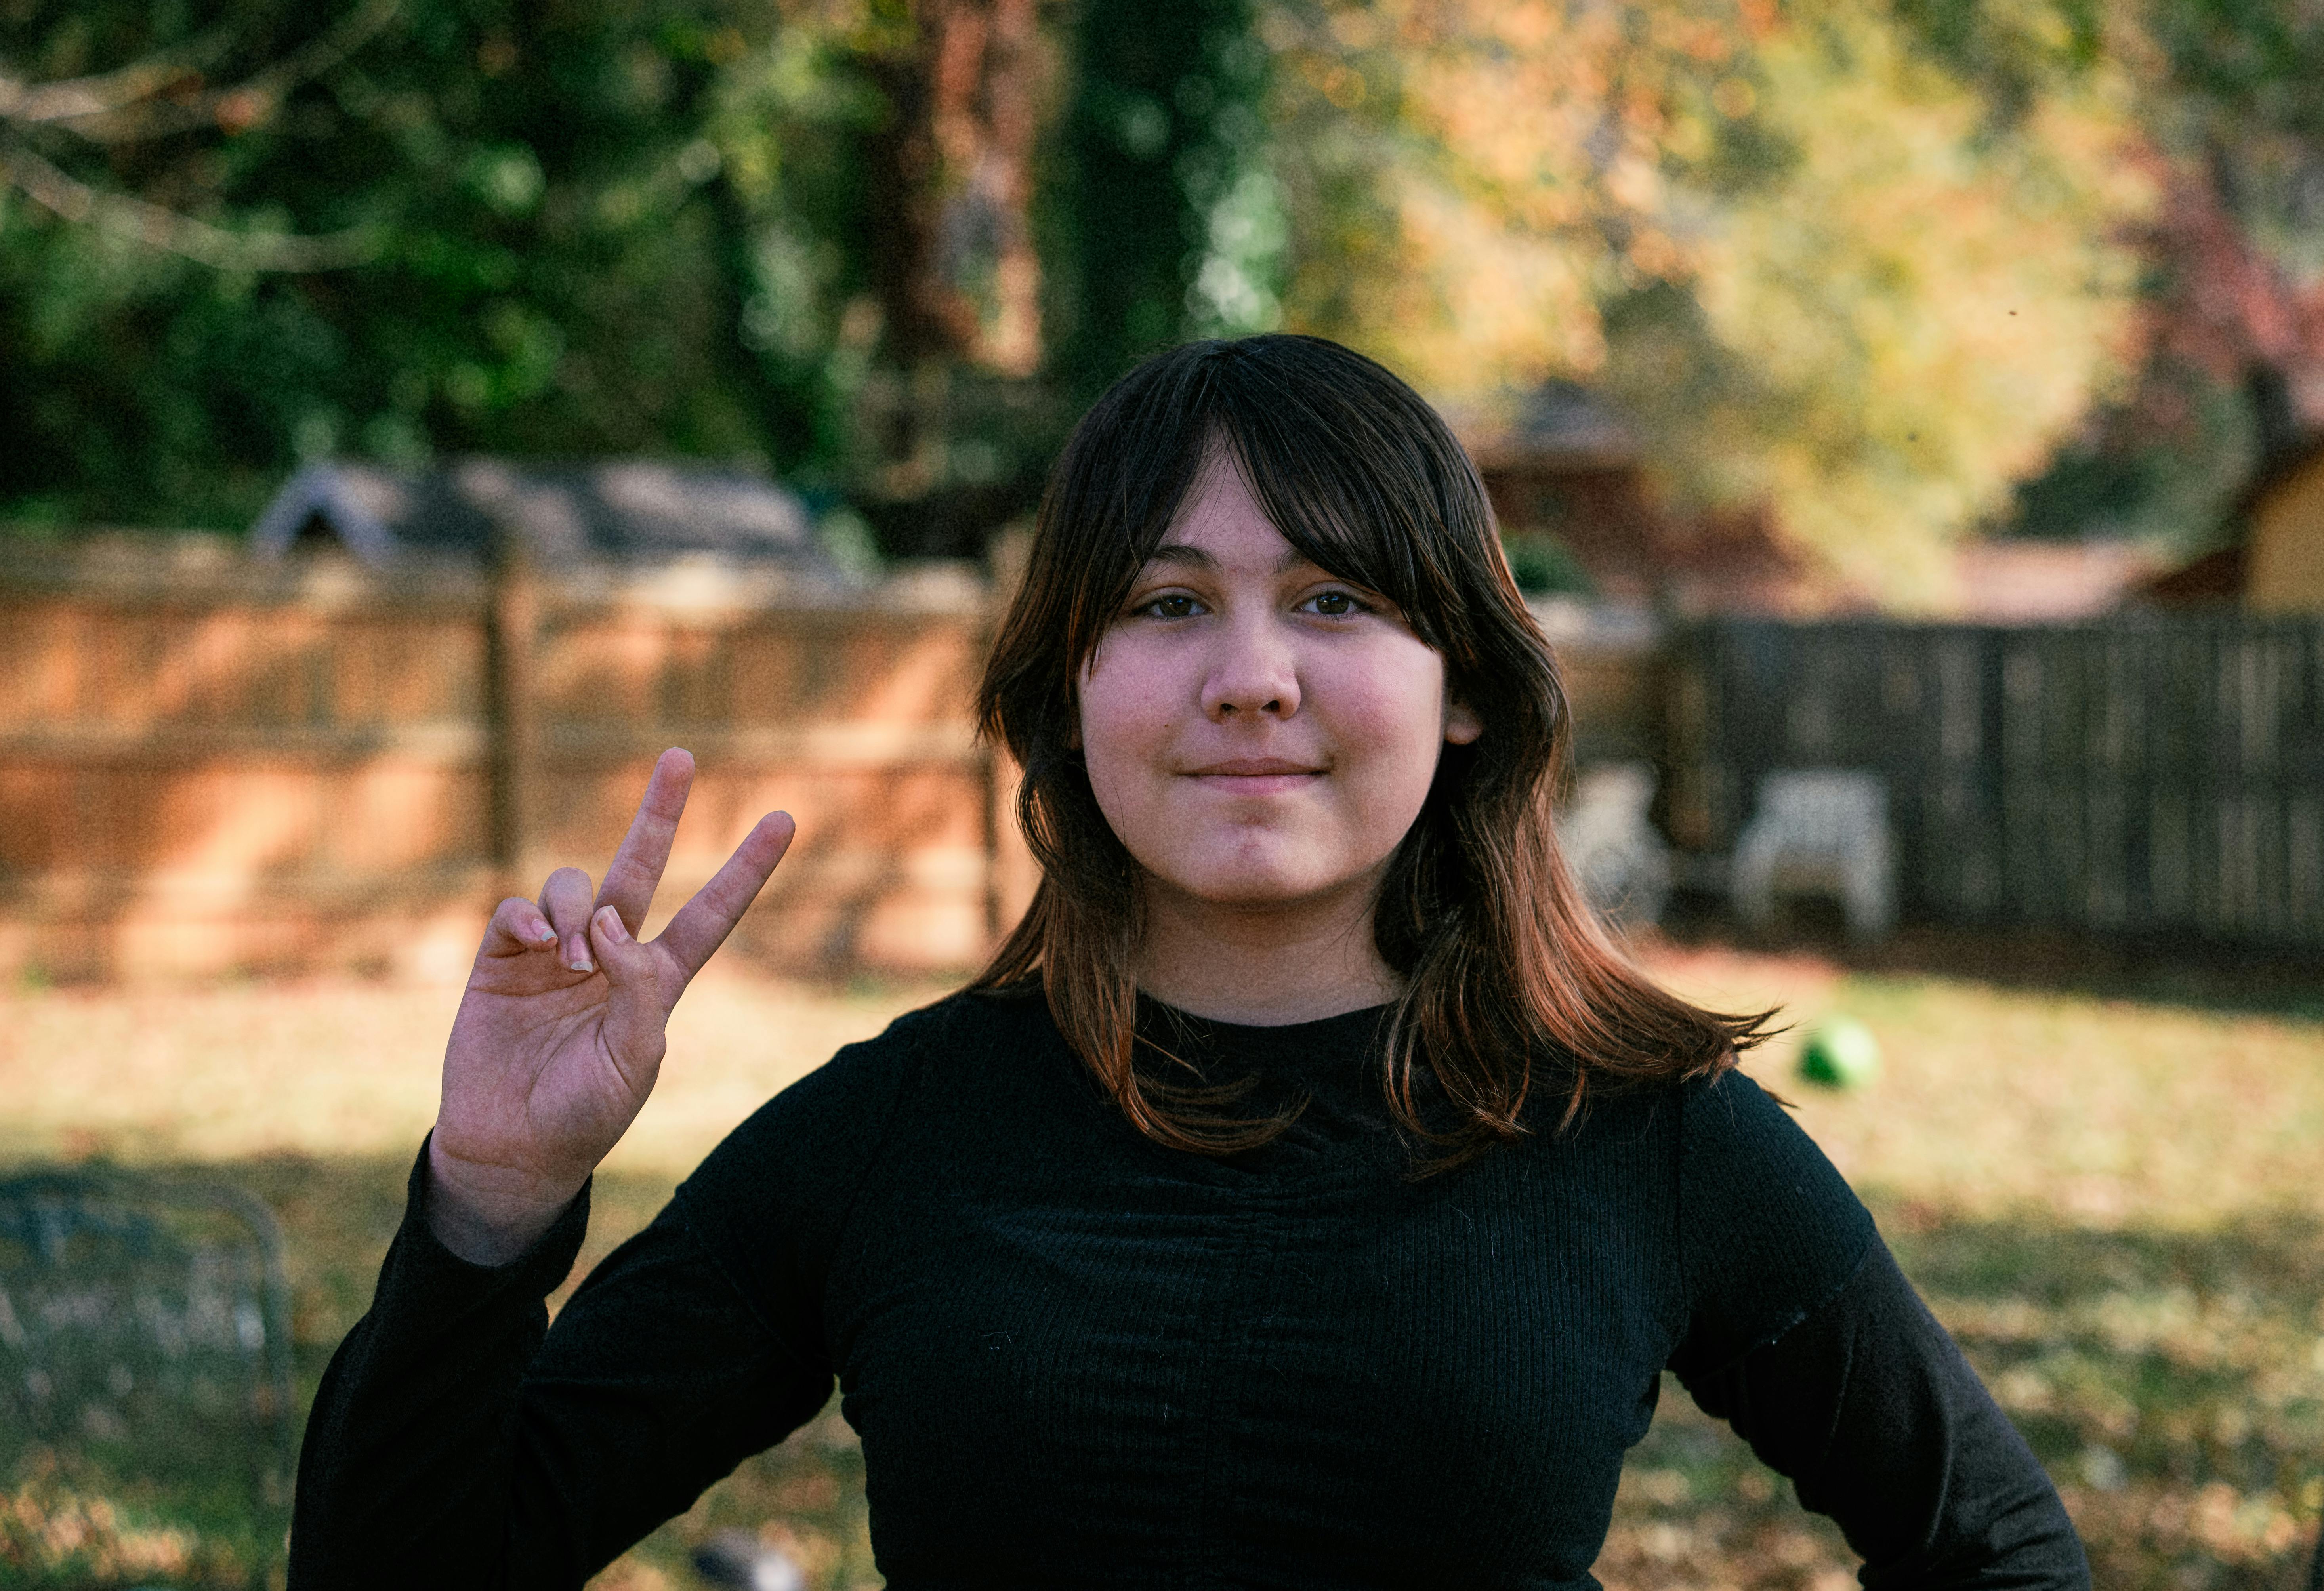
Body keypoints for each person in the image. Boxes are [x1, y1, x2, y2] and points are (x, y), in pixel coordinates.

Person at [291, 335, 2087, 1589]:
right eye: (1164, 604)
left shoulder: (1647, 1137)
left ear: (1461, 686)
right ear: (1068, 695)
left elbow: (1995, 1549)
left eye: (1333, 600)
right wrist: (488, 1198)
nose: (1251, 673)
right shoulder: (895, 1132)